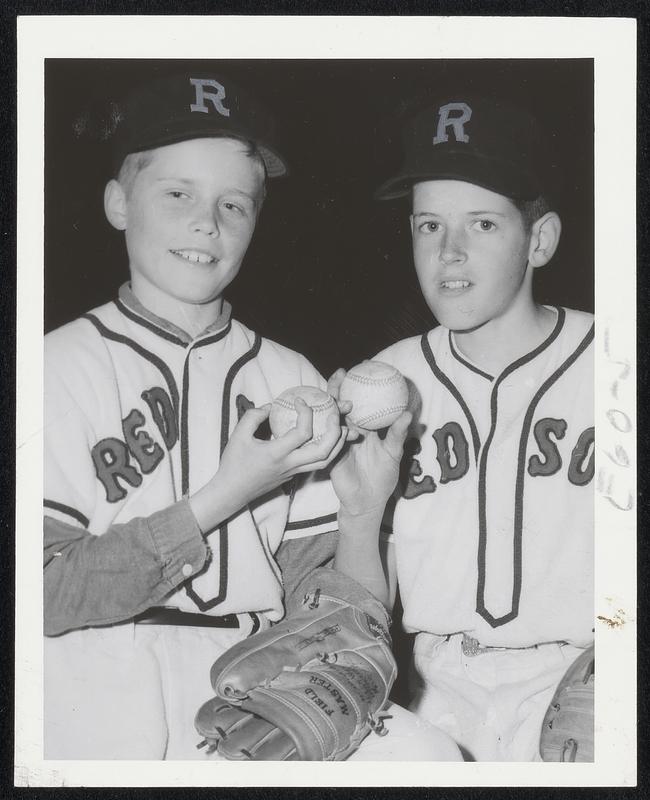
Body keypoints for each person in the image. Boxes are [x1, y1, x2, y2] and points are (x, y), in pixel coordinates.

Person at [43, 69, 460, 761]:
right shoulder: (56, 365)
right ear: (118, 202)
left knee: (427, 758)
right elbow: (42, 590)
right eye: (178, 193)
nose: (206, 223)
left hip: (256, 668)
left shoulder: (291, 377)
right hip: (88, 669)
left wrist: (362, 513)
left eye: (233, 204)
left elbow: (330, 615)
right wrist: (228, 492)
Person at [329, 95, 594, 761]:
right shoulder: (386, 381)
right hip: (435, 693)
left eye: (482, 223)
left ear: (539, 240)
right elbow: (366, 611)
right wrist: (359, 516)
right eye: (429, 225)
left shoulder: (616, 362)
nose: (448, 252)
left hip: (586, 684)